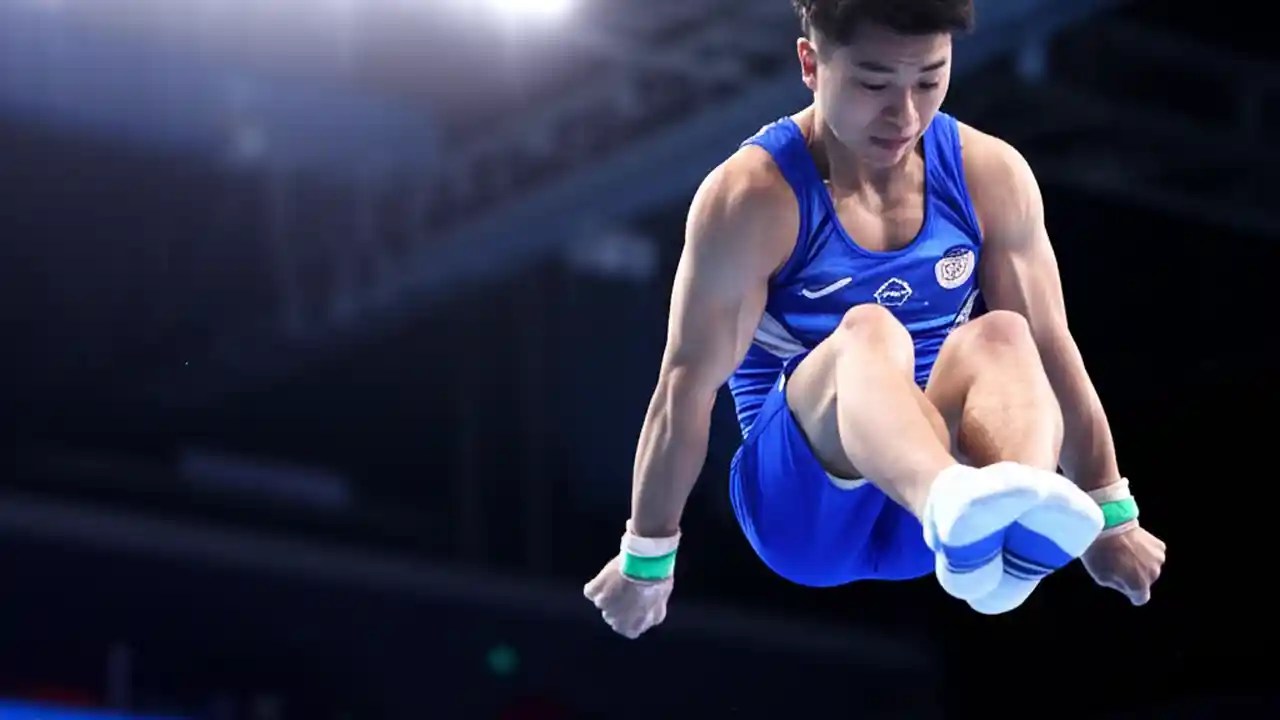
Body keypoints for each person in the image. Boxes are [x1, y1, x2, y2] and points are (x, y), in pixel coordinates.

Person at [584, 0, 1166, 638]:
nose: (905, 115)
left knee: (1007, 334)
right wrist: (647, 557)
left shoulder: (988, 175)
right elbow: (686, 386)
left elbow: (1053, 352)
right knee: (870, 331)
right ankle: (952, 503)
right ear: (811, 64)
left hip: (931, 518)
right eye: (873, 84)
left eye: (929, 80)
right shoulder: (754, 197)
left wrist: (1112, 512)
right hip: (802, 515)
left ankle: (1011, 531)